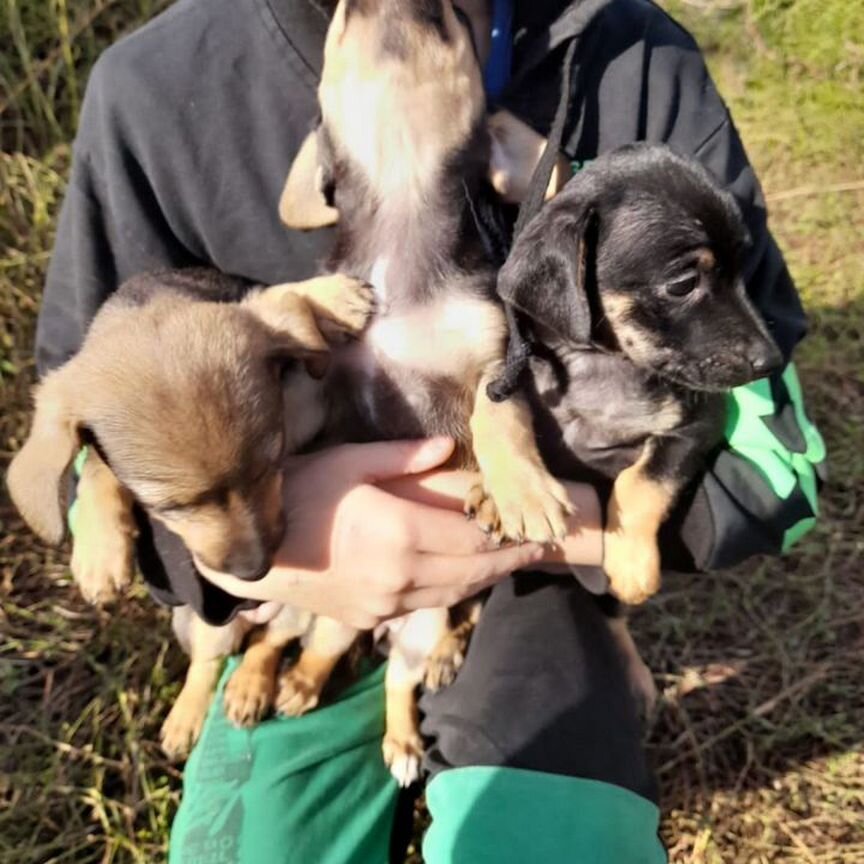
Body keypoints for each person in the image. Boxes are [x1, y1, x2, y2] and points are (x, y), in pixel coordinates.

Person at [36, 0, 826, 861]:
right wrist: (289, 551)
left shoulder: (629, 55)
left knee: (560, 842)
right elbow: (93, 433)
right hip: (296, 595)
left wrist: (577, 539)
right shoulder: (154, 91)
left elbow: (759, 439)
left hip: (536, 584)